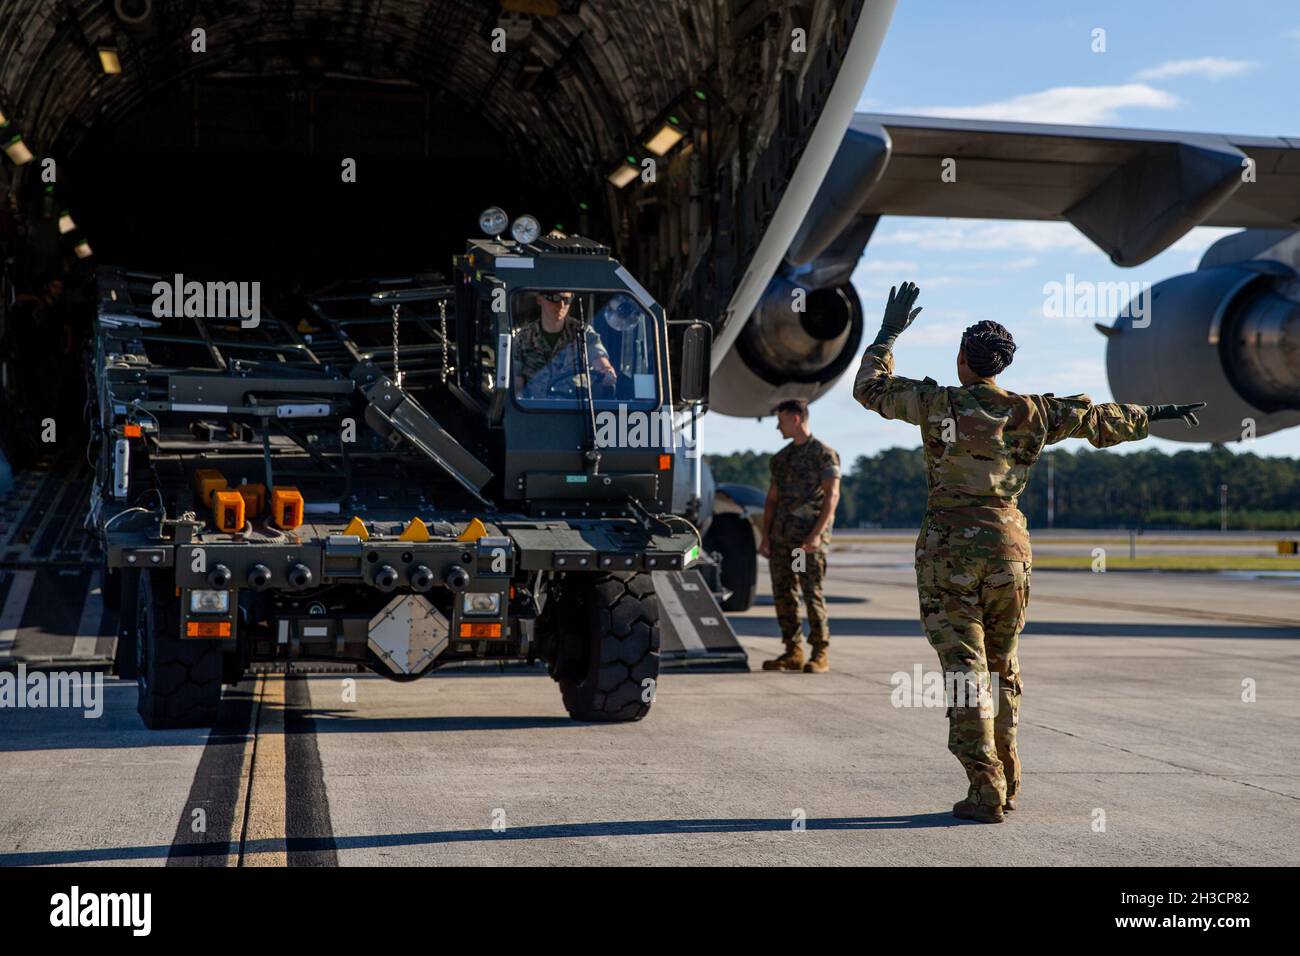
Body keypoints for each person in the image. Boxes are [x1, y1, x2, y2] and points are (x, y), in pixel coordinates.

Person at [853, 281, 1205, 823]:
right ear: (1000, 366)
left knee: (965, 672)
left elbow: (871, 389)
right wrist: (1154, 413)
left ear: (962, 361)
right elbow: (1099, 418)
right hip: (1009, 554)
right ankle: (1007, 781)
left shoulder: (937, 404)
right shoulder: (1033, 412)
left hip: (950, 553)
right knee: (1002, 668)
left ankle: (985, 787)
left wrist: (888, 333)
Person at [759, 398, 841, 674]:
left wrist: (816, 535)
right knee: (784, 594)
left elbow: (832, 496)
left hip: (808, 540)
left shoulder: (824, 454)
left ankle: (820, 653)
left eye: (780, 420)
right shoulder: (781, 459)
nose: (777, 427)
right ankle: (792, 651)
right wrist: (766, 536)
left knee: (811, 593)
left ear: (795, 419)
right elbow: (772, 501)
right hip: (783, 538)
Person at [513, 291, 617, 398]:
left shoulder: (583, 333)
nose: (562, 305)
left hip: (575, 409)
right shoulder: (523, 338)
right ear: (540, 299)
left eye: (567, 300)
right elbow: (517, 387)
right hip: (535, 410)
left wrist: (607, 371)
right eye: (555, 298)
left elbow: (600, 360)